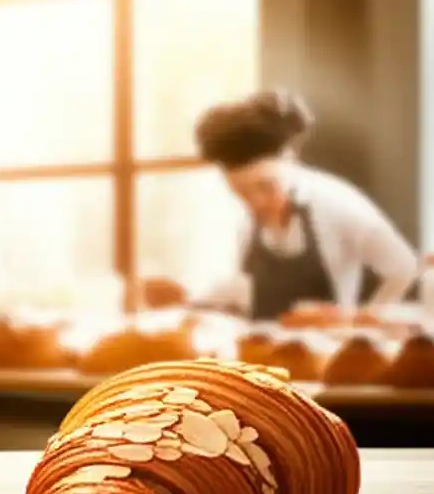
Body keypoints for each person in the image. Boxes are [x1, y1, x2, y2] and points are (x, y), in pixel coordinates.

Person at [162, 89, 419, 321]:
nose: (256, 202)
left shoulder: (336, 202)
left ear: (290, 161)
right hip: (259, 360)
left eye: (266, 187)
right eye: (241, 192)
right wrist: (193, 304)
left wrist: (360, 320)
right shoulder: (244, 226)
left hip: (323, 358)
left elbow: (404, 266)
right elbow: (243, 292)